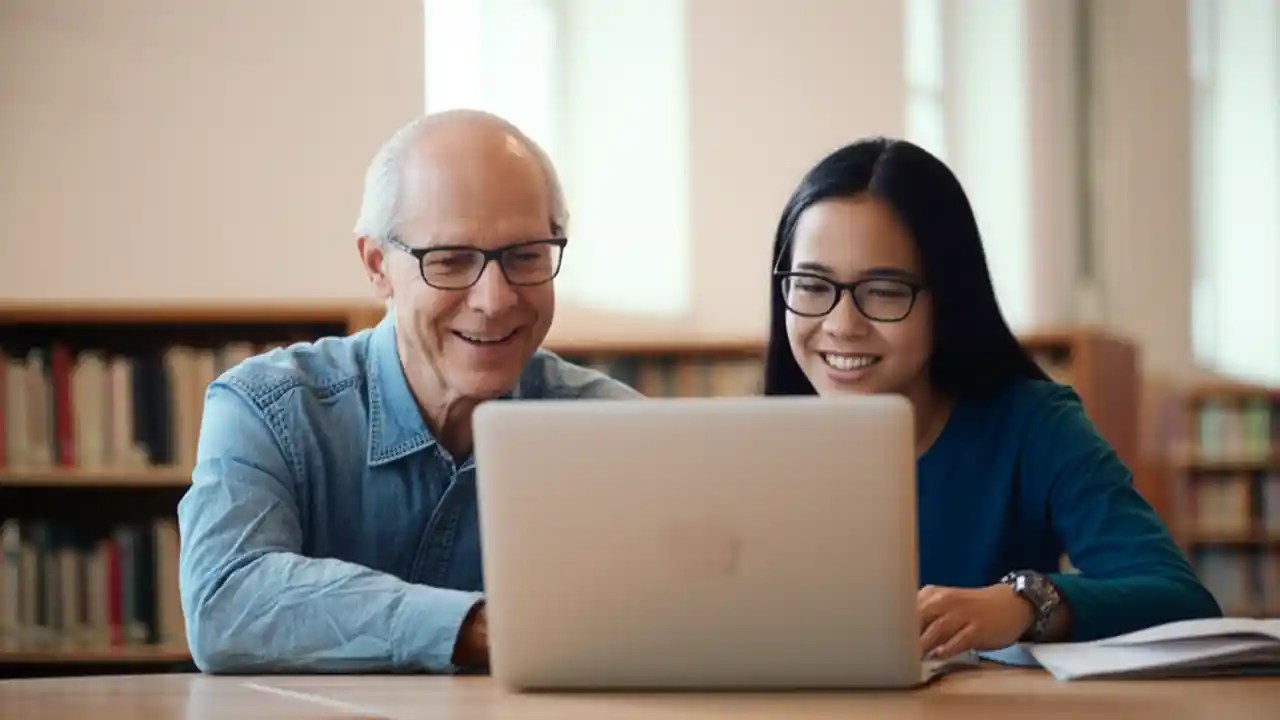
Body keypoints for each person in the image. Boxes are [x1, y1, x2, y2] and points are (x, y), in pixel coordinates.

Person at [178, 110, 639, 674]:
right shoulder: (268, 411)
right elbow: (226, 601)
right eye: (449, 261)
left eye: (525, 257)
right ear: (377, 266)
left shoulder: (616, 431)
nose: (494, 300)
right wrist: (476, 628)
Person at [763, 137, 1221, 659]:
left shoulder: (1036, 427)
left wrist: (1025, 603)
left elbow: (1181, 599)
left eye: (885, 291)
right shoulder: (749, 449)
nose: (841, 325)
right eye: (812, 285)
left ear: (949, 299)